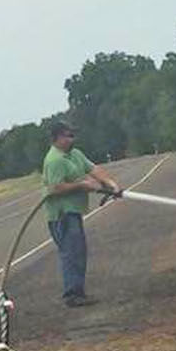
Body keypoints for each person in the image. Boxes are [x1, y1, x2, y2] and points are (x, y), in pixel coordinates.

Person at [42, 121, 122, 306]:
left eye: (72, 135)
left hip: (74, 211)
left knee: (78, 250)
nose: (72, 139)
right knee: (71, 252)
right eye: (68, 135)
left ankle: (78, 291)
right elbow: (55, 188)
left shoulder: (75, 154)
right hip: (61, 214)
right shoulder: (55, 160)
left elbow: (93, 169)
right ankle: (72, 294)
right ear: (58, 138)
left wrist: (110, 184)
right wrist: (81, 185)